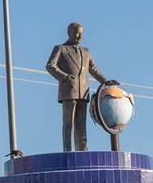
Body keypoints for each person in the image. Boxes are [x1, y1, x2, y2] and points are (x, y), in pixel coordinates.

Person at [45, 22, 108, 152]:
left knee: (81, 123)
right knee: (68, 123)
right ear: (69, 33)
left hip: (83, 92)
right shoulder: (60, 48)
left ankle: (83, 149)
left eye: (81, 34)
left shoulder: (86, 52)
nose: (80, 36)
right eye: (77, 33)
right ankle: (68, 150)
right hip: (68, 91)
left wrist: (106, 82)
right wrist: (64, 77)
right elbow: (50, 66)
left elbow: (93, 69)